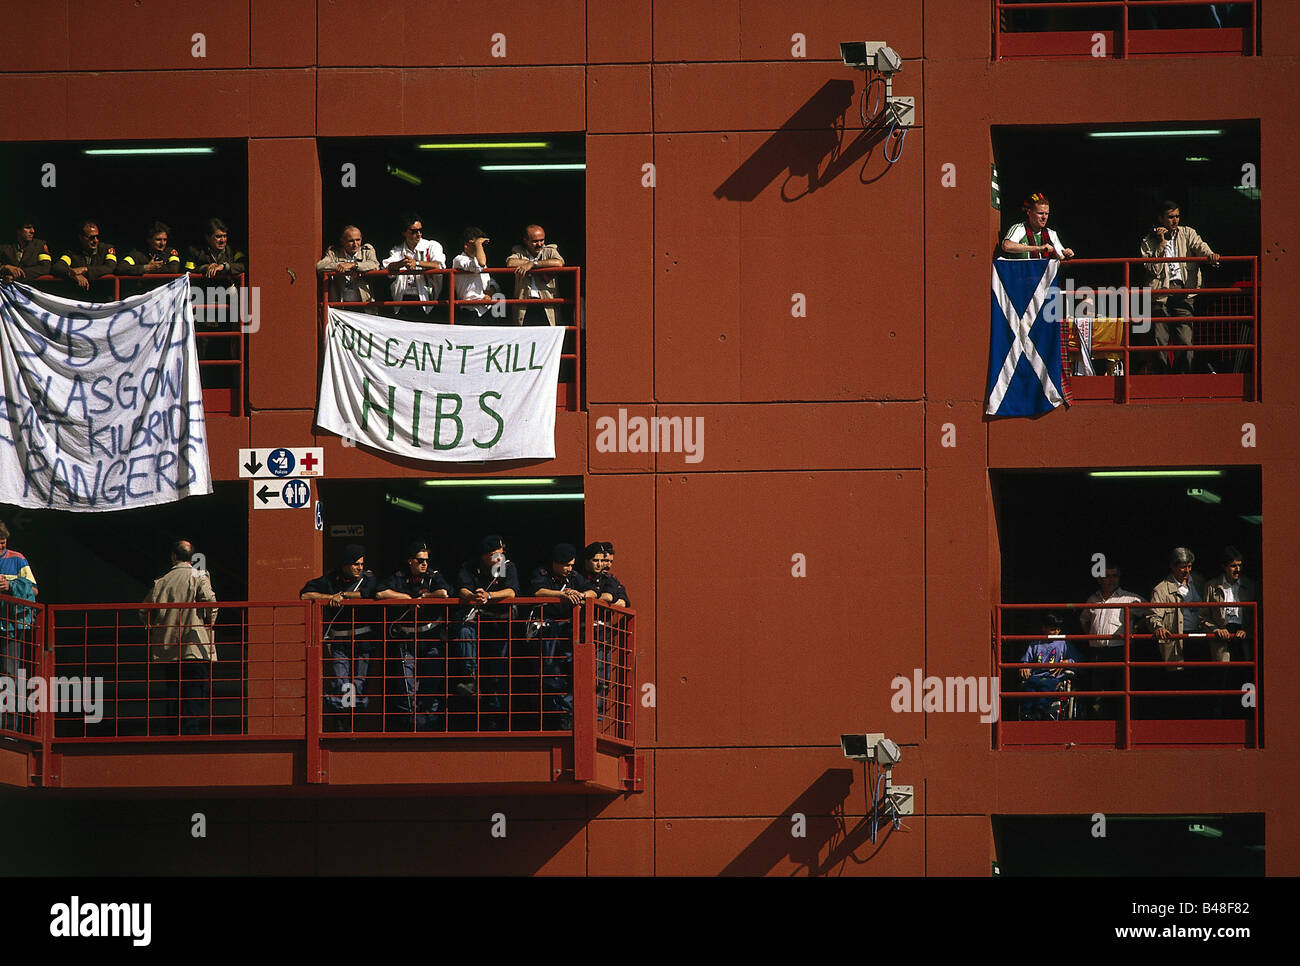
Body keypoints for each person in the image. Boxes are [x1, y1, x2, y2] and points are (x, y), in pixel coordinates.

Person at [140, 541, 218, 736]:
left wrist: (155, 629)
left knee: (174, 693)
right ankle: (190, 733)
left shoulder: (162, 581)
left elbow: (144, 611)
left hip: (169, 647)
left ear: (173, 557)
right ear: (192, 558)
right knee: (194, 692)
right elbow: (210, 602)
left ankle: (173, 734)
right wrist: (209, 623)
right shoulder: (199, 575)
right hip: (195, 646)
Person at [376, 540, 453, 730]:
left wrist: (424, 598)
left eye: (426, 560)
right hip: (407, 638)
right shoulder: (399, 577)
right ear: (410, 561)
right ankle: (411, 728)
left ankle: (429, 729)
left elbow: (444, 593)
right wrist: (406, 599)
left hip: (431, 638)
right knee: (407, 687)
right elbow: (379, 593)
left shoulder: (433, 576)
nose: (424, 564)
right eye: (420, 560)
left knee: (430, 686)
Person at [300, 545, 379, 729]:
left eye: (361, 564)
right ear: (344, 564)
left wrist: (343, 596)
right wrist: (331, 597)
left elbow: (372, 593)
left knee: (359, 682)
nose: (359, 568)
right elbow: (305, 595)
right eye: (355, 564)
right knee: (340, 681)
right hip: (340, 641)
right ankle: (342, 719)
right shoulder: (330, 579)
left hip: (363, 640)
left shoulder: (368, 579)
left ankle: (354, 722)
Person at [1139, 201, 1221, 374]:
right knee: (1159, 340)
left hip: (1183, 291)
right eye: (1170, 217)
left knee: (1185, 339)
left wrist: (1210, 255)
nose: (1174, 220)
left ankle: (1181, 377)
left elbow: (1200, 246)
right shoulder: (1148, 241)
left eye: (1177, 216)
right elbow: (1153, 269)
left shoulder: (1187, 233)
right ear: (1160, 219)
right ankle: (1161, 379)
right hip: (1159, 293)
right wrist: (1161, 243)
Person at [527, 543, 596, 729]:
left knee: (568, 671)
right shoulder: (541, 573)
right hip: (547, 630)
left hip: (567, 631)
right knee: (547, 672)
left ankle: (565, 715)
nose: (570, 569)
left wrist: (580, 594)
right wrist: (562, 594)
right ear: (556, 563)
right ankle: (546, 718)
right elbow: (537, 591)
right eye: (566, 565)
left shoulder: (574, 577)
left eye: (572, 565)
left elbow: (592, 591)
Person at [455, 535, 519, 725]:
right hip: (478, 619)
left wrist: (489, 596)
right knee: (464, 631)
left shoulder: (507, 566)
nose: (499, 557)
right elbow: (461, 588)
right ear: (484, 556)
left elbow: (512, 591)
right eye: (493, 554)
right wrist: (474, 596)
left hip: (500, 623)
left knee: (498, 671)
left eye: (501, 552)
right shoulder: (469, 567)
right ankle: (471, 678)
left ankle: (497, 717)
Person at [1077, 564, 1143, 718]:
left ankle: (1128, 726)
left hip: (1121, 650)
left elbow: (1149, 614)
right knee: (1099, 692)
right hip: (1098, 652)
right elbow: (1084, 619)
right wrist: (1091, 637)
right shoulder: (1092, 599)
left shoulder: (1130, 598)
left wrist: (1135, 630)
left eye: (1115, 576)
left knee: (1124, 690)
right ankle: (1100, 729)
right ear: (1100, 579)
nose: (1112, 580)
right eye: (1108, 576)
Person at [383, 214, 445, 321]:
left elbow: (439, 266)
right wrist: (401, 263)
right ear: (404, 233)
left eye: (420, 230)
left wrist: (416, 263)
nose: (419, 234)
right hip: (403, 300)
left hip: (426, 301)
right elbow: (386, 267)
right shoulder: (397, 250)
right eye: (414, 231)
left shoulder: (431, 246)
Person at [1018, 613, 1078, 720]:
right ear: (1044, 628)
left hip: (1053, 677)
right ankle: (1026, 713)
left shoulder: (1064, 643)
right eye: (1053, 629)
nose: (1056, 632)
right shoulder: (1035, 643)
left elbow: (1078, 659)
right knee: (1029, 688)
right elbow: (1027, 659)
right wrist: (1025, 666)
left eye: (1058, 629)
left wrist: (1066, 662)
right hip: (1035, 677)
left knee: (1046, 686)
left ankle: (1040, 711)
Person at [506, 224, 565, 325]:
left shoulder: (550, 251)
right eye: (535, 241)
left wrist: (533, 264)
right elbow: (510, 263)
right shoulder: (519, 252)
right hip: (525, 305)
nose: (539, 244)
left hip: (546, 305)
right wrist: (538, 266)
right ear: (525, 240)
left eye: (542, 240)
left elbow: (559, 263)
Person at [318, 225, 381, 313]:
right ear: (342, 241)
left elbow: (375, 265)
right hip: (340, 306)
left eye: (358, 240)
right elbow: (320, 266)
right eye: (351, 241)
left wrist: (354, 265)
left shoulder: (367, 250)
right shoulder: (334, 253)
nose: (355, 244)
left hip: (364, 305)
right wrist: (341, 266)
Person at [999, 192, 1073, 261]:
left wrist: (1067, 254)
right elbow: (1007, 246)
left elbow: (1061, 256)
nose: (1044, 217)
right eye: (1040, 213)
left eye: (1046, 214)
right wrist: (1039, 248)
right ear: (1029, 213)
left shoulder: (1051, 234)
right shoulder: (1019, 228)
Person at [451, 227, 503, 324]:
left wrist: (491, 292)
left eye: (482, 245)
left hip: (487, 309)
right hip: (470, 311)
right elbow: (480, 265)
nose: (480, 248)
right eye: (476, 245)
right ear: (466, 245)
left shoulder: (479, 259)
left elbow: (491, 281)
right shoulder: (459, 260)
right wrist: (478, 244)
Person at [53, 220, 118, 295]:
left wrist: (85, 270)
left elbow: (110, 267)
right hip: (79, 296)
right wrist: (72, 274)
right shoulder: (72, 252)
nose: (95, 240)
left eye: (97, 236)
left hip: (103, 295)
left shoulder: (107, 249)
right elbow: (58, 266)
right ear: (81, 237)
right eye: (91, 237)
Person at [117, 221, 183, 287]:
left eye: (165, 240)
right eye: (158, 240)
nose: (162, 243)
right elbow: (121, 267)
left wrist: (152, 269)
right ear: (149, 239)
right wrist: (146, 267)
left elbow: (174, 269)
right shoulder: (138, 254)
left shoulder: (170, 252)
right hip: (144, 292)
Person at [0, 521, 38, 597]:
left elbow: (34, 591)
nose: (0, 547)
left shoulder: (18, 559)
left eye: (2, 543)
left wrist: (11, 585)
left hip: (12, 608)